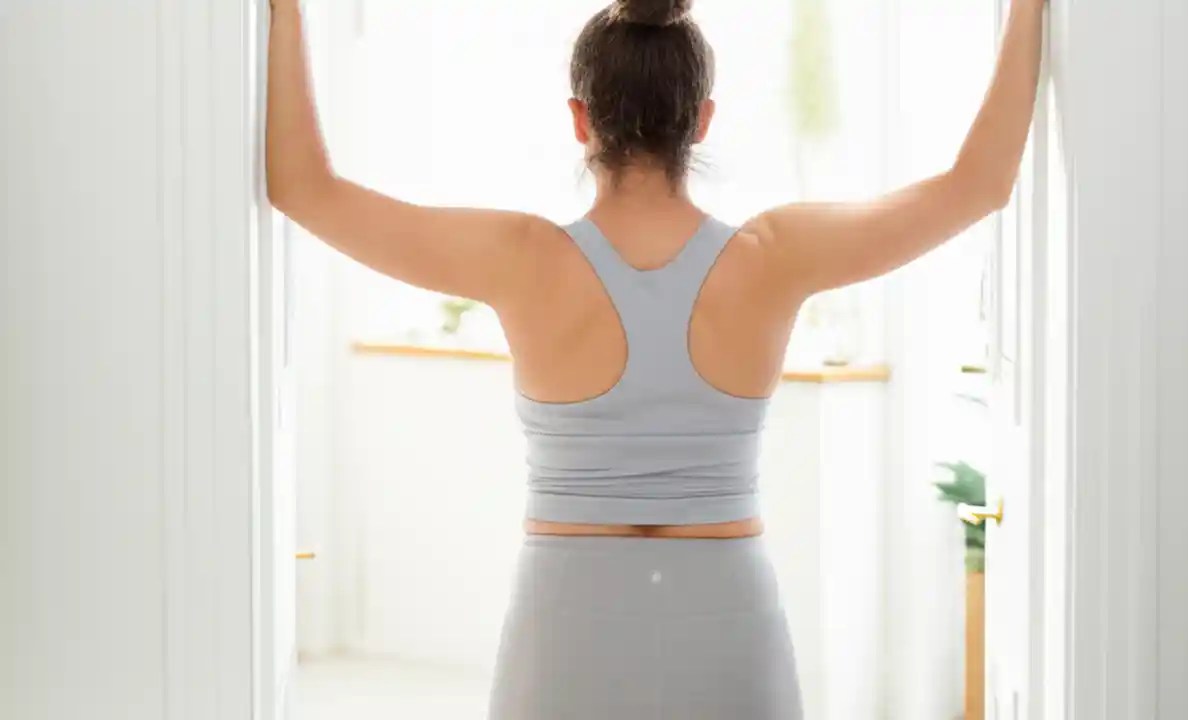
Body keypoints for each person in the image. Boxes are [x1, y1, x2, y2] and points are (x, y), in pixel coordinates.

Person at [266, 0, 1045, 716]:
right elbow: (978, 184)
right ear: (701, 121)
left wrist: (288, 11)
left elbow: (303, 188)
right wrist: (1027, 8)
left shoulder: (520, 256)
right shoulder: (773, 255)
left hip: (566, 616)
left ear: (580, 120)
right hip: (728, 612)